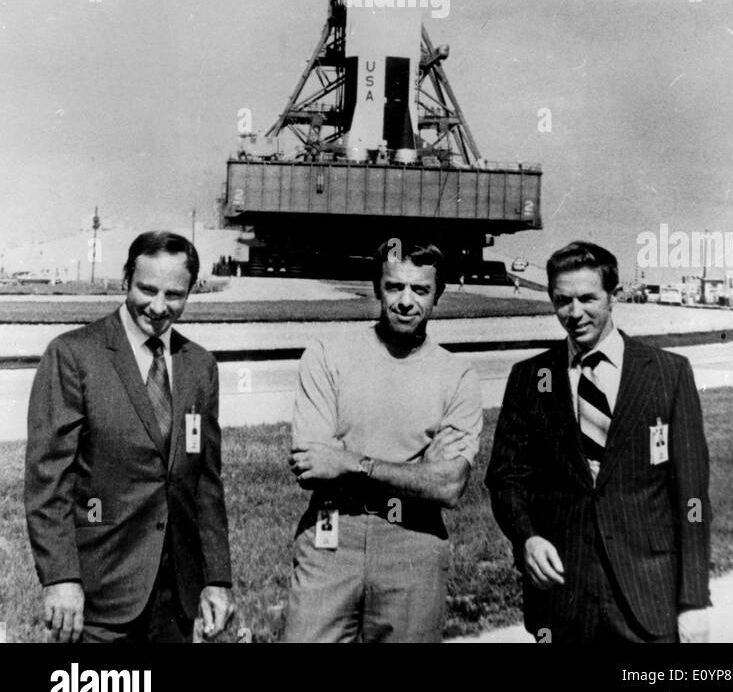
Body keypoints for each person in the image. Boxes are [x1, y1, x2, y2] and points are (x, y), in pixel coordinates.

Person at [486, 240, 711, 644]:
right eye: (562, 301)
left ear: (614, 296)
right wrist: (527, 538)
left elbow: (692, 497)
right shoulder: (530, 378)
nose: (574, 314)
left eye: (588, 298)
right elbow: (506, 479)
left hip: (648, 598)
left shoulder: (668, 373)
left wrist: (693, 599)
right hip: (562, 597)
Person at [25, 231, 234, 644]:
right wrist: (61, 578)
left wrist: (217, 579)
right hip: (99, 596)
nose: (158, 307)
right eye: (147, 289)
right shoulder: (73, 356)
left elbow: (206, 486)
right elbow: (48, 481)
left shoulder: (200, 367)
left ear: (191, 292)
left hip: (177, 597)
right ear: (125, 281)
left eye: (174, 294)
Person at [283, 240, 482, 643]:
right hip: (331, 531)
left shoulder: (457, 376)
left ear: (438, 296)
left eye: (420, 290)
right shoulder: (327, 355)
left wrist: (354, 463)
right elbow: (313, 467)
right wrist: (414, 471)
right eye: (394, 287)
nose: (406, 301)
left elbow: (448, 485)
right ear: (377, 288)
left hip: (413, 541)